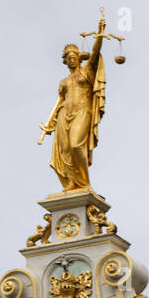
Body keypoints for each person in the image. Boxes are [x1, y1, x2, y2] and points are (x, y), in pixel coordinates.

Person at [41, 15, 106, 190]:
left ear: (79, 58)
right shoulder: (63, 82)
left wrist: (100, 35)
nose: (72, 58)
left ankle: (84, 184)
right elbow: (59, 102)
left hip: (82, 110)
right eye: (69, 56)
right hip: (64, 114)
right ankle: (71, 182)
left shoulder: (86, 72)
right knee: (65, 150)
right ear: (65, 60)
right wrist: (51, 123)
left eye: (75, 55)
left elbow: (95, 54)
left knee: (77, 145)